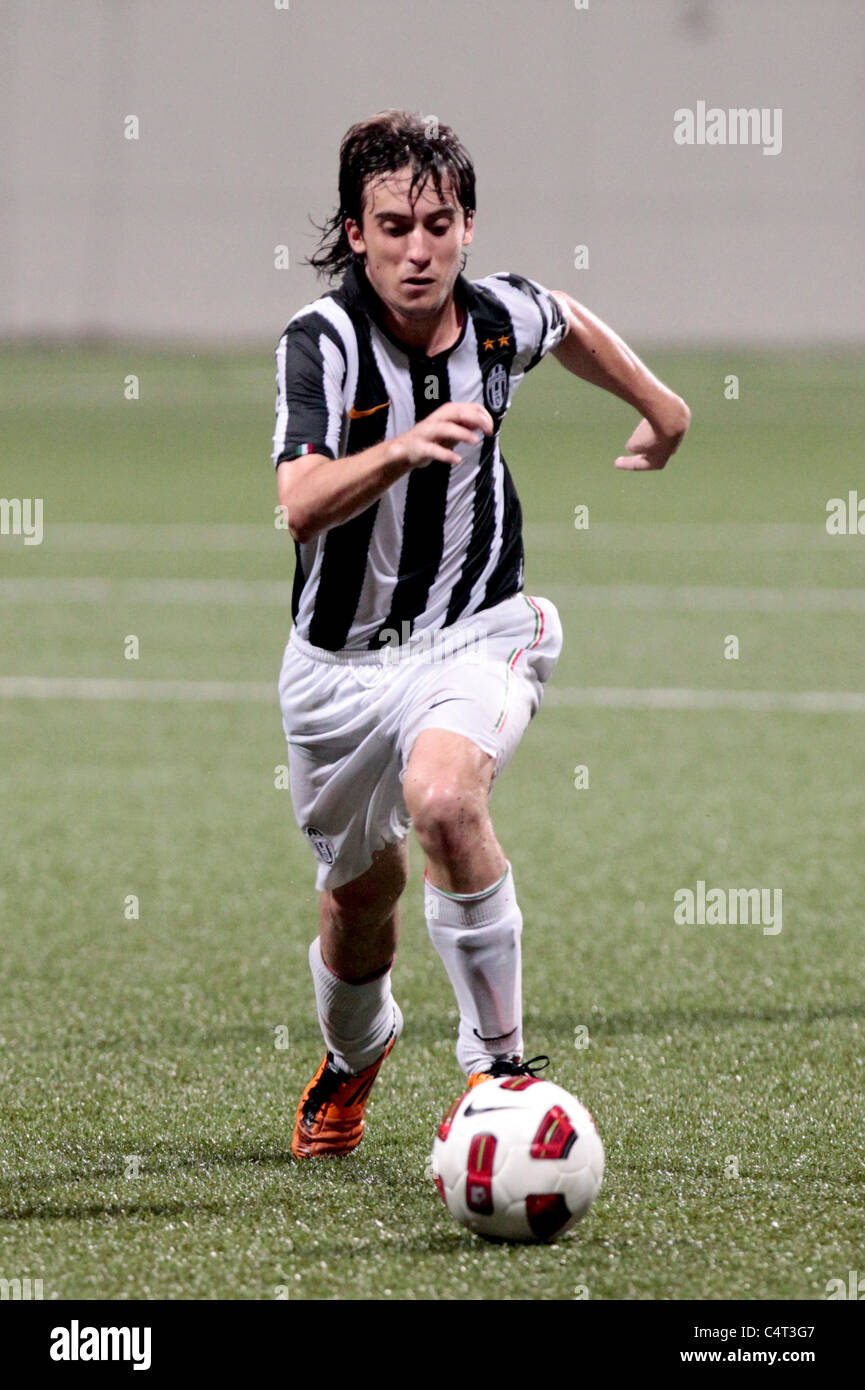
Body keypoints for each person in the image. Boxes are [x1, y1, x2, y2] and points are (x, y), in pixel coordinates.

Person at [272, 110, 690, 1157]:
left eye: (441, 223)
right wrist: (402, 448)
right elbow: (302, 501)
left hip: (477, 629)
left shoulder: (497, 321)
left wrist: (657, 403)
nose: (420, 249)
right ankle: (356, 1054)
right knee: (360, 900)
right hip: (337, 671)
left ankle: (497, 1071)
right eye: (395, 225)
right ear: (356, 233)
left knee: (448, 802)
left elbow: (565, 318)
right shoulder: (320, 345)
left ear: (467, 226)